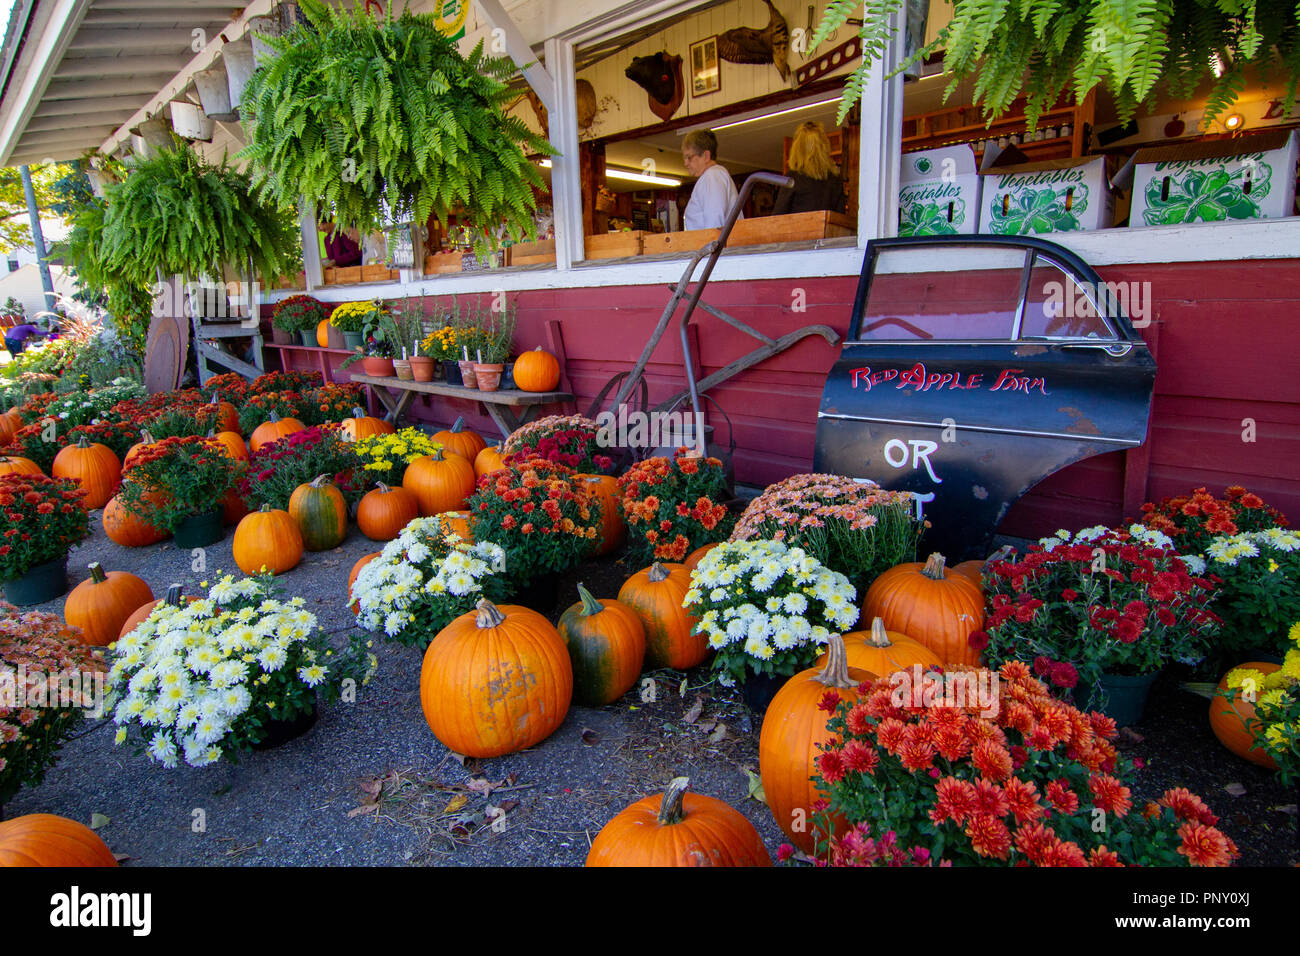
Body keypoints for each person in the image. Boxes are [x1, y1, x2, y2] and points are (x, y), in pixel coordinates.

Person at [773, 121, 846, 216]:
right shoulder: (835, 180)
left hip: (799, 229)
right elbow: (840, 218)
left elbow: (777, 217)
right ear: (824, 147)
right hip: (826, 229)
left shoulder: (793, 178)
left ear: (797, 149)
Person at [681, 129, 739, 230]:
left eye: (689, 157)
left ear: (706, 156)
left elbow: (714, 225)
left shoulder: (712, 176)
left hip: (709, 244)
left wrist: (711, 245)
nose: (686, 163)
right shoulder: (714, 176)